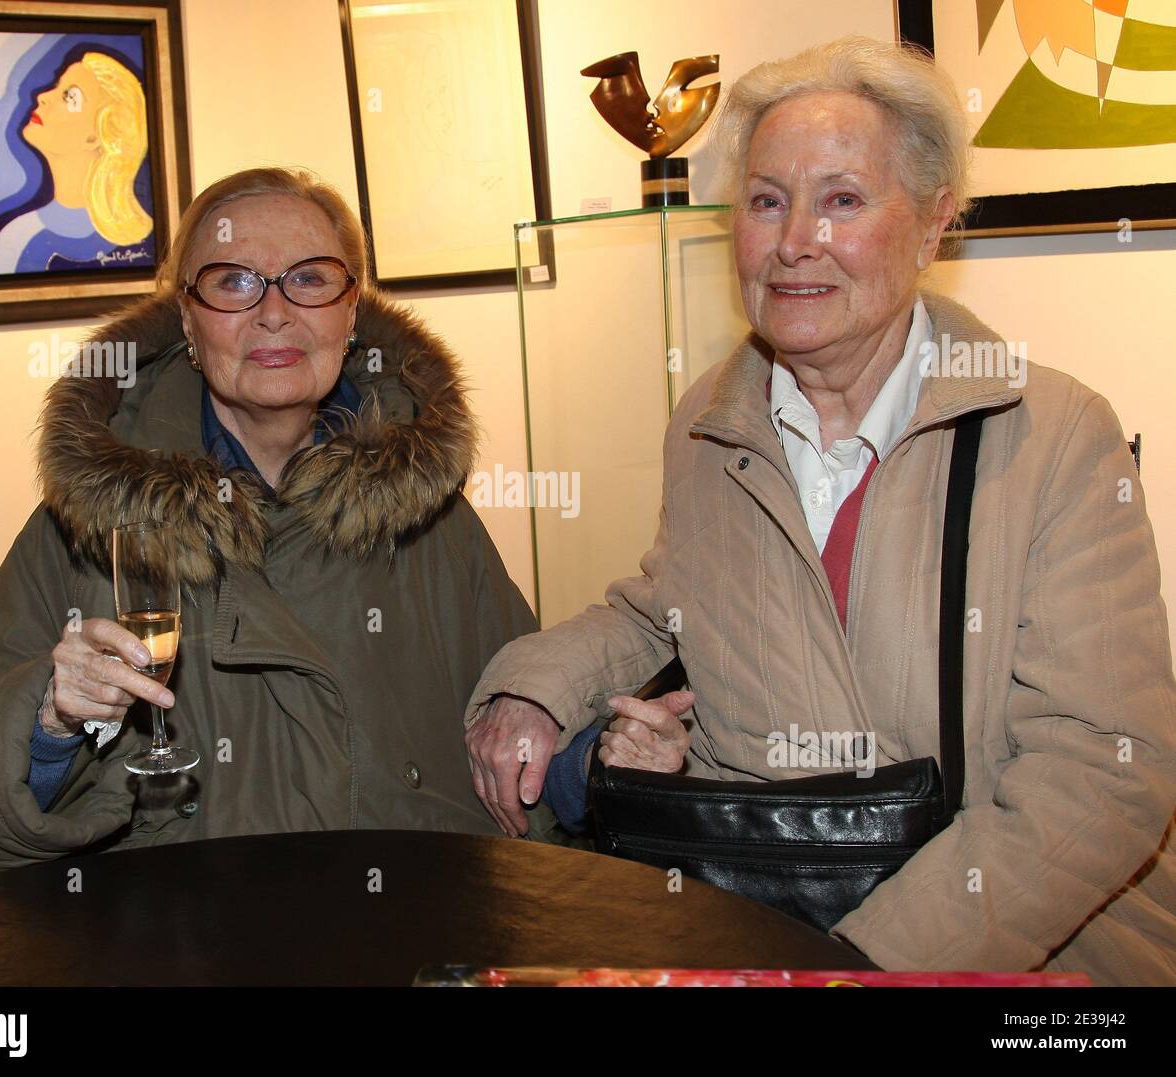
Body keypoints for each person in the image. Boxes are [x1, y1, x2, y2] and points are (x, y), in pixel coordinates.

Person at [463, 37, 1176, 985]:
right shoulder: (709, 424)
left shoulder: (1052, 434)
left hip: (1011, 963)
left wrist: (864, 965)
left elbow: (1103, 767)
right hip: (765, 929)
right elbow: (663, 606)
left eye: (842, 200)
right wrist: (534, 686)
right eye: (766, 201)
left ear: (931, 227)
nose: (795, 240)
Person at [0, 166, 541, 875]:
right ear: (186, 318)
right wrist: (50, 720)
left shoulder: (432, 519)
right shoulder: (94, 515)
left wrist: (592, 746)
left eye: (311, 278)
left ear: (352, 310)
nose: (274, 312)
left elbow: (526, 732)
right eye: (234, 281)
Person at [0, 51, 154, 274]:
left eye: (69, 96)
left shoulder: (137, 240)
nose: (43, 97)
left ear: (95, 136)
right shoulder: (18, 238)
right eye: (57, 87)